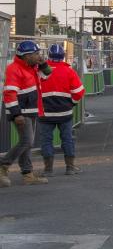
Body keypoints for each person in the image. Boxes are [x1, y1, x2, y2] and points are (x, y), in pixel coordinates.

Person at [2, 40, 50, 186]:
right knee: (27, 141)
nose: (38, 56)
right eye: (36, 54)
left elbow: (46, 75)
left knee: (28, 143)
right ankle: (3, 165)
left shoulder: (31, 67)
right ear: (26, 56)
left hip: (30, 110)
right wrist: (17, 114)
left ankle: (28, 174)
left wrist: (42, 64)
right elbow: (9, 93)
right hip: (21, 112)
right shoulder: (14, 69)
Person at [39, 44, 85, 176]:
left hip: (45, 113)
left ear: (49, 56)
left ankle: (48, 170)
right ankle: (70, 167)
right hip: (65, 113)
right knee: (67, 139)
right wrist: (72, 103)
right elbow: (79, 92)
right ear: (63, 56)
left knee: (46, 140)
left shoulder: (40, 71)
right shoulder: (68, 71)